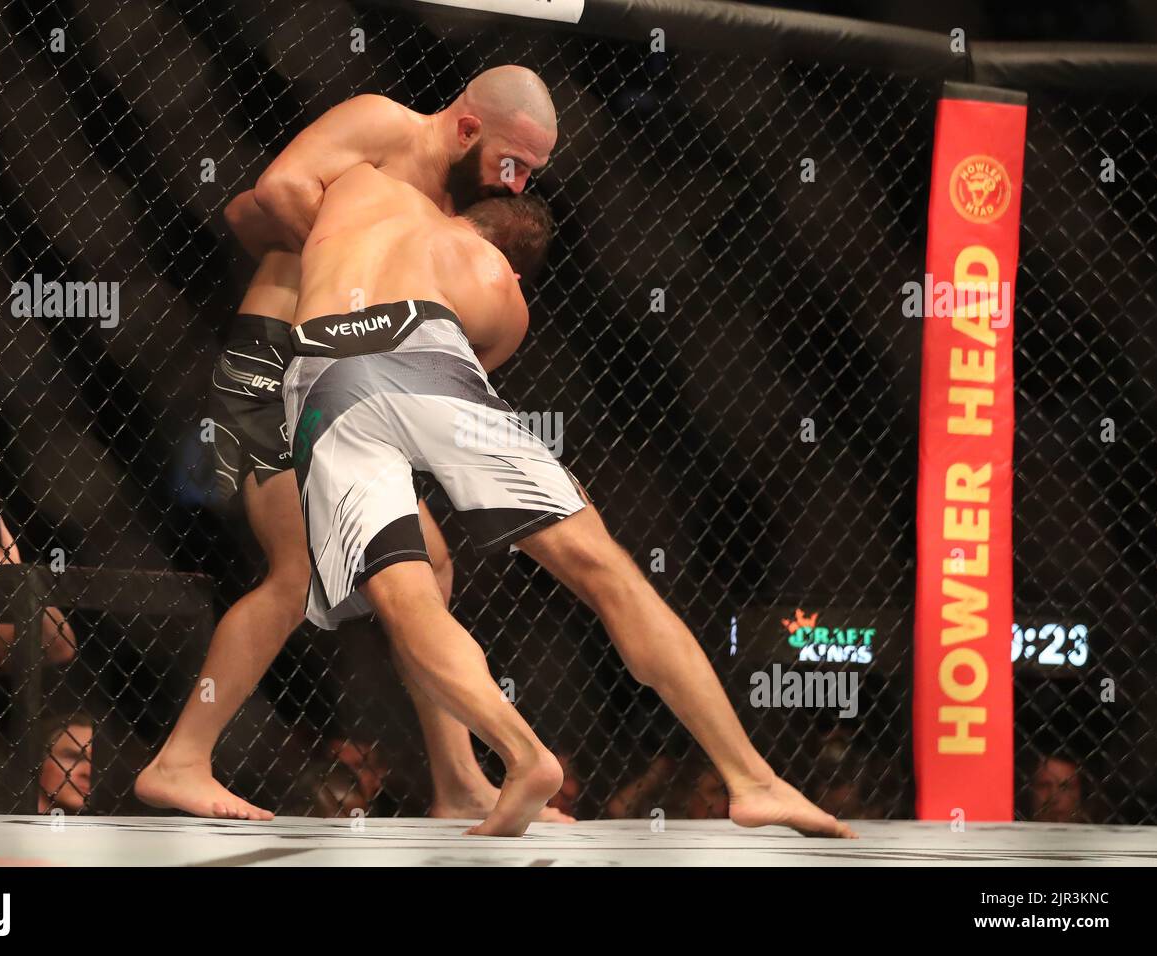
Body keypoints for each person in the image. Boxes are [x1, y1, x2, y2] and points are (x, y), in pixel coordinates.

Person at [278, 161, 855, 838]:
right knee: (605, 570)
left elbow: (281, 194)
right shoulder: (501, 290)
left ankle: (520, 754)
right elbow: (451, 384)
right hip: (431, 347)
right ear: (516, 269)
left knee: (406, 599)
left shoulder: (370, 191)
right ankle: (752, 779)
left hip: (322, 370)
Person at [136, 65, 568, 822]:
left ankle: (459, 780)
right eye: (514, 164)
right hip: (279, 365)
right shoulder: (385, 126)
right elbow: (271, 192)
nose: (518, 184)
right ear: (470, 127)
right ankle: (181, 759)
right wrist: (358, 283)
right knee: (299, 566)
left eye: (531, 174)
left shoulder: (447, 209)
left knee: (425, 565)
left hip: (338, 380)